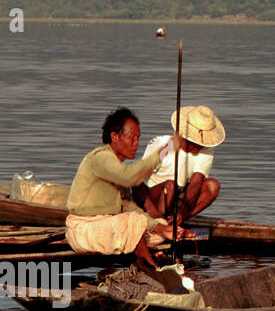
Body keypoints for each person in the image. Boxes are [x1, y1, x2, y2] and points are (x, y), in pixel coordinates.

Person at [65, 107, 189, 266]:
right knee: (133, 222)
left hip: (110, 225)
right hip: (84, 230)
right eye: (131, 138)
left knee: (162, 228)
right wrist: (165, 150)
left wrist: (160, 228)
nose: (136, 144)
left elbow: (127, 206)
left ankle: (147, 252)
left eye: (138, 138)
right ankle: (150, 267)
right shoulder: (101, 159)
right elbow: (130, 176)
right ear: (114, 136)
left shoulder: (116, 166)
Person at [134, 105, 224, 222]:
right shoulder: (163, 146)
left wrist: (182, 212)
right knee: (170, 186)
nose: (201, 147)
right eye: (196, 144)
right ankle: (160, 223)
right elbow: (136, 181)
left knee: (213, 186)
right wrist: (152, 211)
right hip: (154, 197)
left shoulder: (206, 151)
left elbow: (196, 183)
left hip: (179, 198)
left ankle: (179, 219)